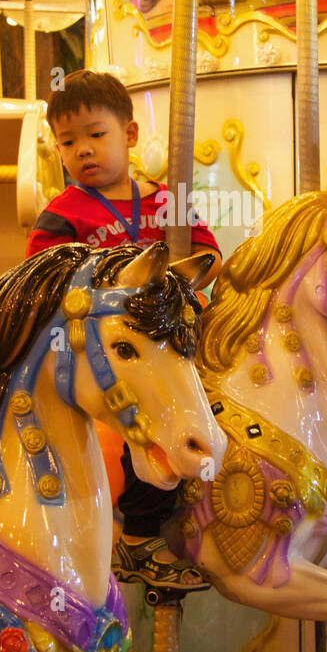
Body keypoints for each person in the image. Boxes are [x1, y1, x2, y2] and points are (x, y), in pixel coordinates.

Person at [26, 68, 221, 590]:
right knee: (142, 418)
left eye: (95, 134)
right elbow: (46, 282)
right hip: (106, 350)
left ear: (129, 135)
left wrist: (190, 286)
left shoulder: (163, 201)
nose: (82, 151)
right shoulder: (60, 215)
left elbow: (207, 254)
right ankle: (137, 536)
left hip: (169, 338)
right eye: (68, 142)